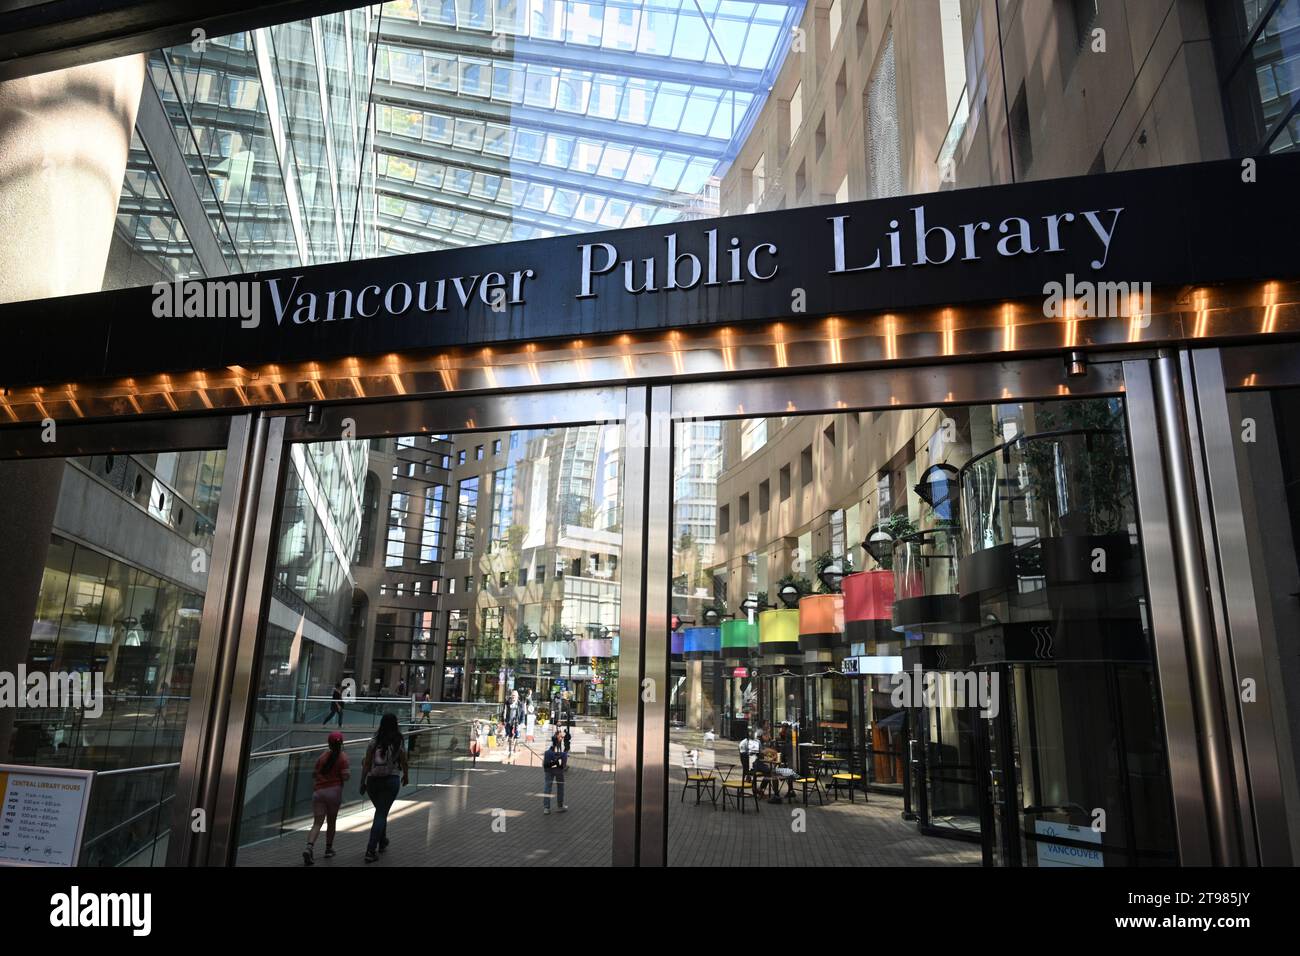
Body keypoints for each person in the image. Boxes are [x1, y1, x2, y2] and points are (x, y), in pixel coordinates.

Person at [360, 713, 409, 863]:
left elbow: (367, 763)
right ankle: (370, 849)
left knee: (381, 810)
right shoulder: (397, 741)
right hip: (390, 781)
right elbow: (404, 760)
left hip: (373, 782)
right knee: (381, 813)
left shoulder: (374, 741)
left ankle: (382, 841)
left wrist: (362, 781)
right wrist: (406, 775)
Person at [304, 731, 350, 865]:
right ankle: (328, 849)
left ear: (329, 744)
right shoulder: (343, 758)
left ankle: (309, 847)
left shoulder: (323, 756)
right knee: (331, 822)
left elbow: (314, 773)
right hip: (334, 793)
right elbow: (346, 776)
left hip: (318, 792)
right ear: (341, 743)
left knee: (317, 823)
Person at [542, 733, 569, 814]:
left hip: (549, 771)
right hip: (559, 772)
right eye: (561, 737)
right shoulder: (563, 753)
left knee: (547, 788)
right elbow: (564, 766)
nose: (562, 738)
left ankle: (546, 808)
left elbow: (545, 764)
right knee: (560, 787)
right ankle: (560, 806)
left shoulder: (547, 752)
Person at [501, 690, 524, 755]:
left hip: (516, 722)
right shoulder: (507, 703)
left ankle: (514, 748)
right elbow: (504, 711)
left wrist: (521, 722)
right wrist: (503, 720)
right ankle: (509, 749)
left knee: (516, 735)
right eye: (512, 695)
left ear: (517, 696)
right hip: (508, 721)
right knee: (509, 735)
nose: (513, 697)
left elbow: (522, 713)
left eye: (514, 696)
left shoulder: (520, 704)